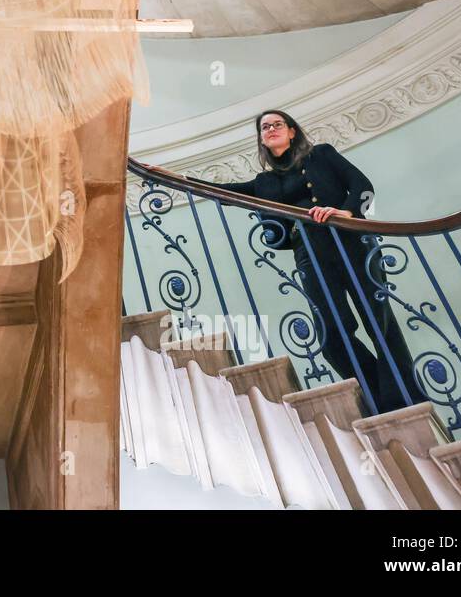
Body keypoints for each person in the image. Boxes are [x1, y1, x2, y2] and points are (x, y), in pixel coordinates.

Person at [149, 110, 428, 412]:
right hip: (308, 252)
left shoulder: (322, 155)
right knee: (331, 335)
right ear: (262, 139)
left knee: (378, 321)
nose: (270, 129)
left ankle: (404, 398)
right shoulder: (264, 182)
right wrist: (176, 180)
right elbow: (223, 193)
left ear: (292, 131)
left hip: (350, 242)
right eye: (264, 127)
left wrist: (346, 212)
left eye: (276, 124)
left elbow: (362, 185)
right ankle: (379, 398)